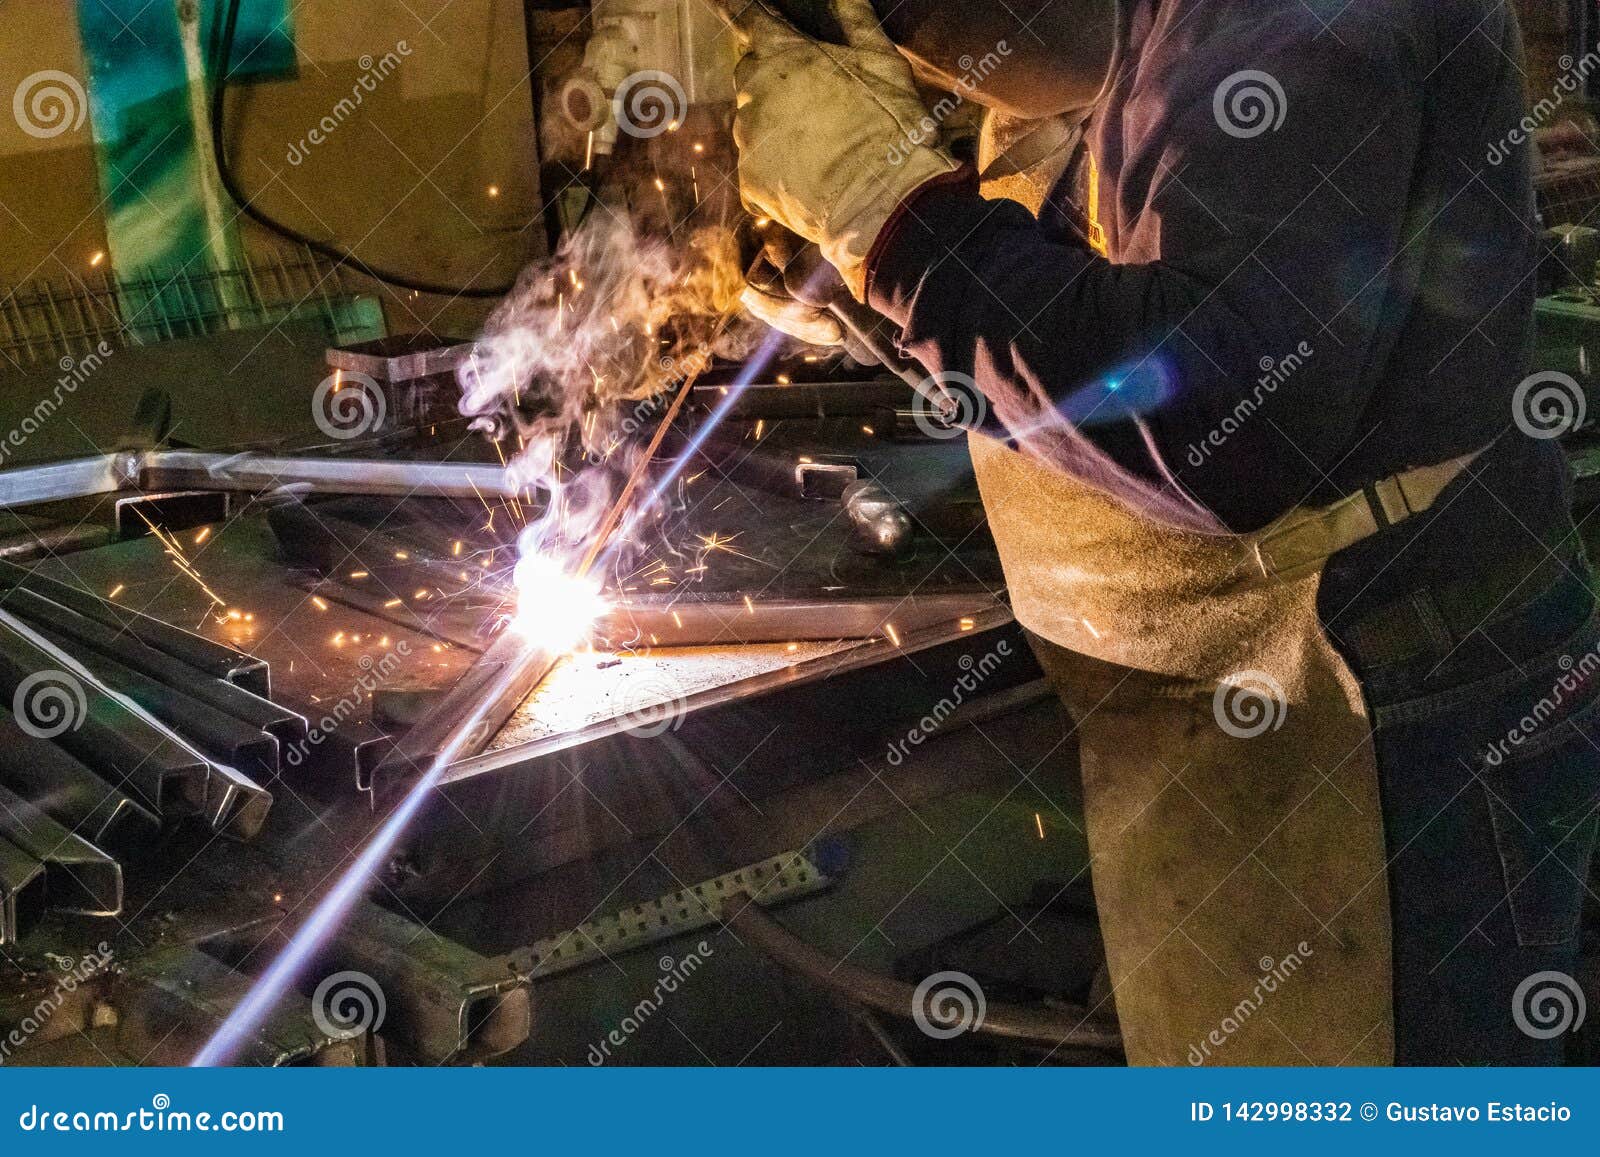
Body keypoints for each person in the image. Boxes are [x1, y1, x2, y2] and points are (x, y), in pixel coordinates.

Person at [727, 0, 1600, 1065]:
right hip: (1256, 709)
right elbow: (1128, 283)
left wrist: (889, 218)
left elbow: (1220, 419)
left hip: (1379, 701)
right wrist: (885, 294)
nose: (941, 65)